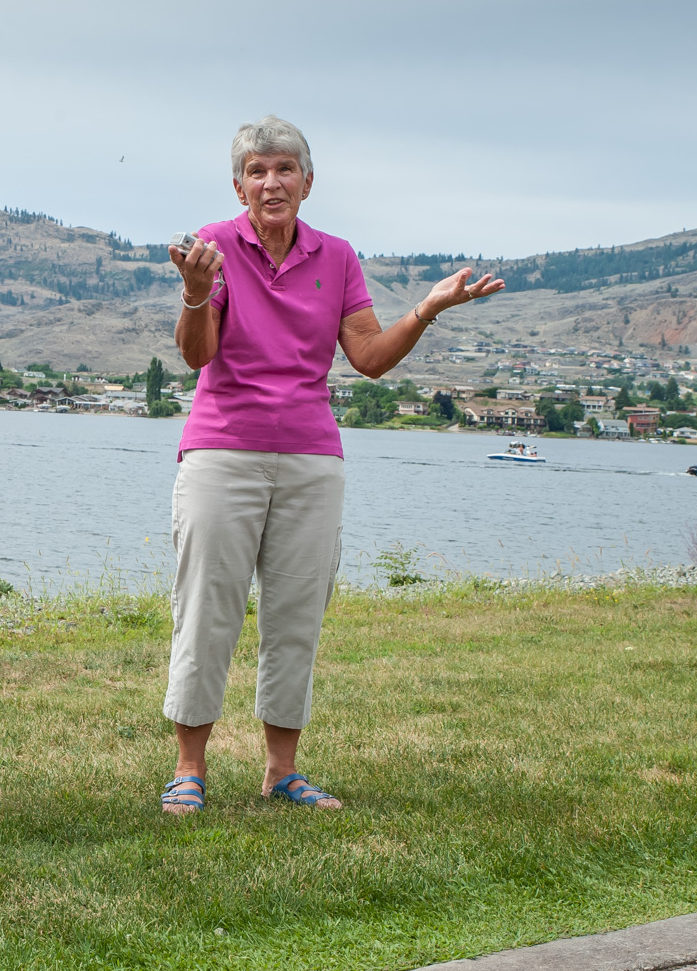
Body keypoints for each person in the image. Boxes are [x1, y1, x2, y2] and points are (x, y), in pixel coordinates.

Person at [160, 115, 503, 814]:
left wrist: (428, 308)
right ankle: (189, 768)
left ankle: (282, 771)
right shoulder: (214, 246)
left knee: (297, 616)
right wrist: (195, 293)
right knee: (206, 610)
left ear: (308, 182)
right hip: (223, 452)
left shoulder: (338, 257)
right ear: (238, 187)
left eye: (284, 168)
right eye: (257, 171)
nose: (272, 182)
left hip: (312, 458)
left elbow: (369, 357)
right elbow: (197, 355)